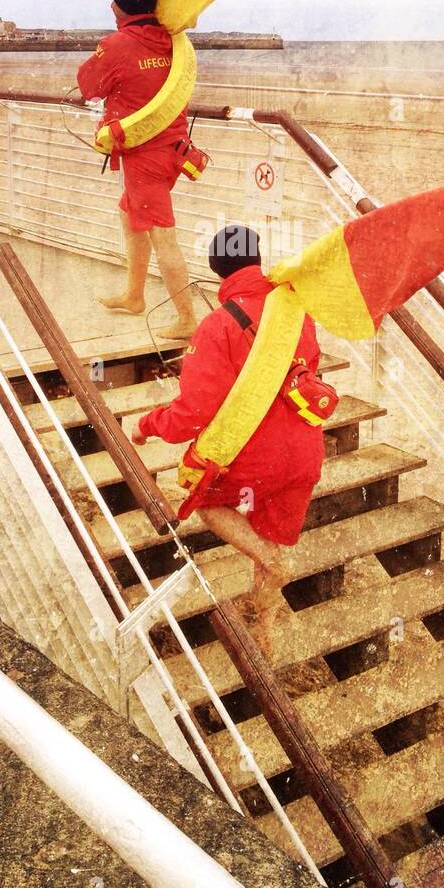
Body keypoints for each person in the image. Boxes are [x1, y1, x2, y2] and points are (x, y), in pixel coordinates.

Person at [131, 224, 326, 654]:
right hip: (305, 451)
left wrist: (146, 426)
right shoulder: (297, 311)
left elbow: (192, 414)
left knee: (208, 504)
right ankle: (265, 635)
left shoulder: (218, 326)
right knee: (270, 541)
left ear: (216, 269)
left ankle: (267, 559)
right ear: (255, 259)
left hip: (258, 457)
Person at [77, 0, 197, 340]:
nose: (111, 7)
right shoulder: (174, 41)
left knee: (163, 237)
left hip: (144, 156)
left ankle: (187, 318)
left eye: (113, 1)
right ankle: (134, 295)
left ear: (123, 6)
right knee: (130, 215)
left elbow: (89, 87)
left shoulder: (117, 44)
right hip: (176, 149)